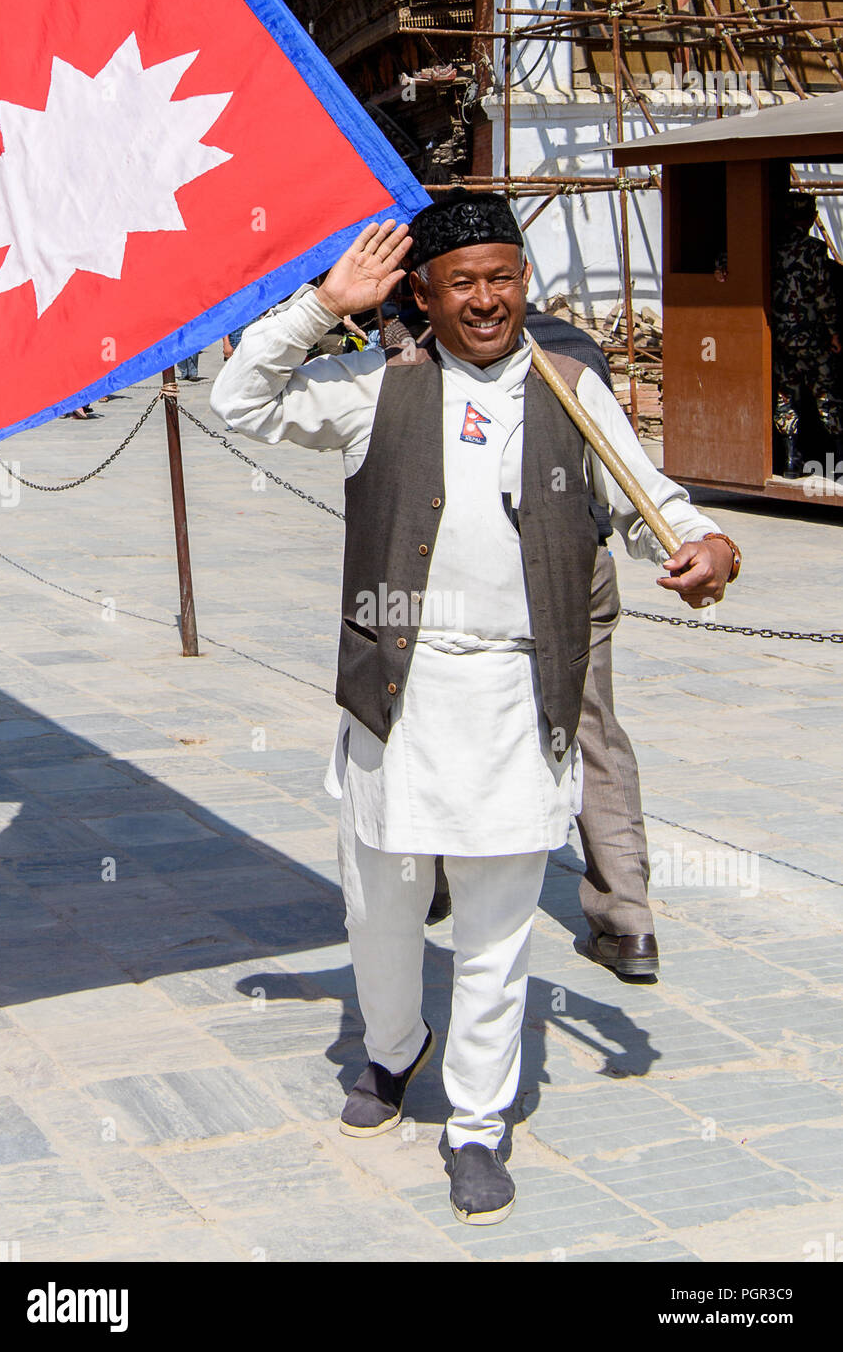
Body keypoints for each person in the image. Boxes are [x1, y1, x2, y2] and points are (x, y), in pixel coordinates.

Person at [210, 190, 739, 1226]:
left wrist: (704, 544)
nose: (486, 299)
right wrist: (325, 303)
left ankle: (478, 1120)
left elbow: (652, 505)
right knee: (382, 907)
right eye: (463, 283)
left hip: (512, 694)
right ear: (424, 292)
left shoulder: (571, 384)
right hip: (397, 700)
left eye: (502, 277)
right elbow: (241, 400)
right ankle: (394, 1048)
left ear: (522, 283)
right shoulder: (374, 388)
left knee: (497, 926)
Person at [429, 305, 664, 977]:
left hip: (518, 569)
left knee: (453, 714)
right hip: (571, 559)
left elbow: (632, 485)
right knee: (591, 727)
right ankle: (628, 918)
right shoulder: (576, 345)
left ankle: (436, 874)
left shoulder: (428, 356)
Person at [771, 192, 843, 477]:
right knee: (827, 394)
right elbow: (824, 297)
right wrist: (835, 333)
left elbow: (728, 259)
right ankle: (838, 464)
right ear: (812, 217)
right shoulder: (814, 249)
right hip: (812, 338)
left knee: (786, 395)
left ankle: (791, 461)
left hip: (779, 338)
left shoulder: (770, 246)